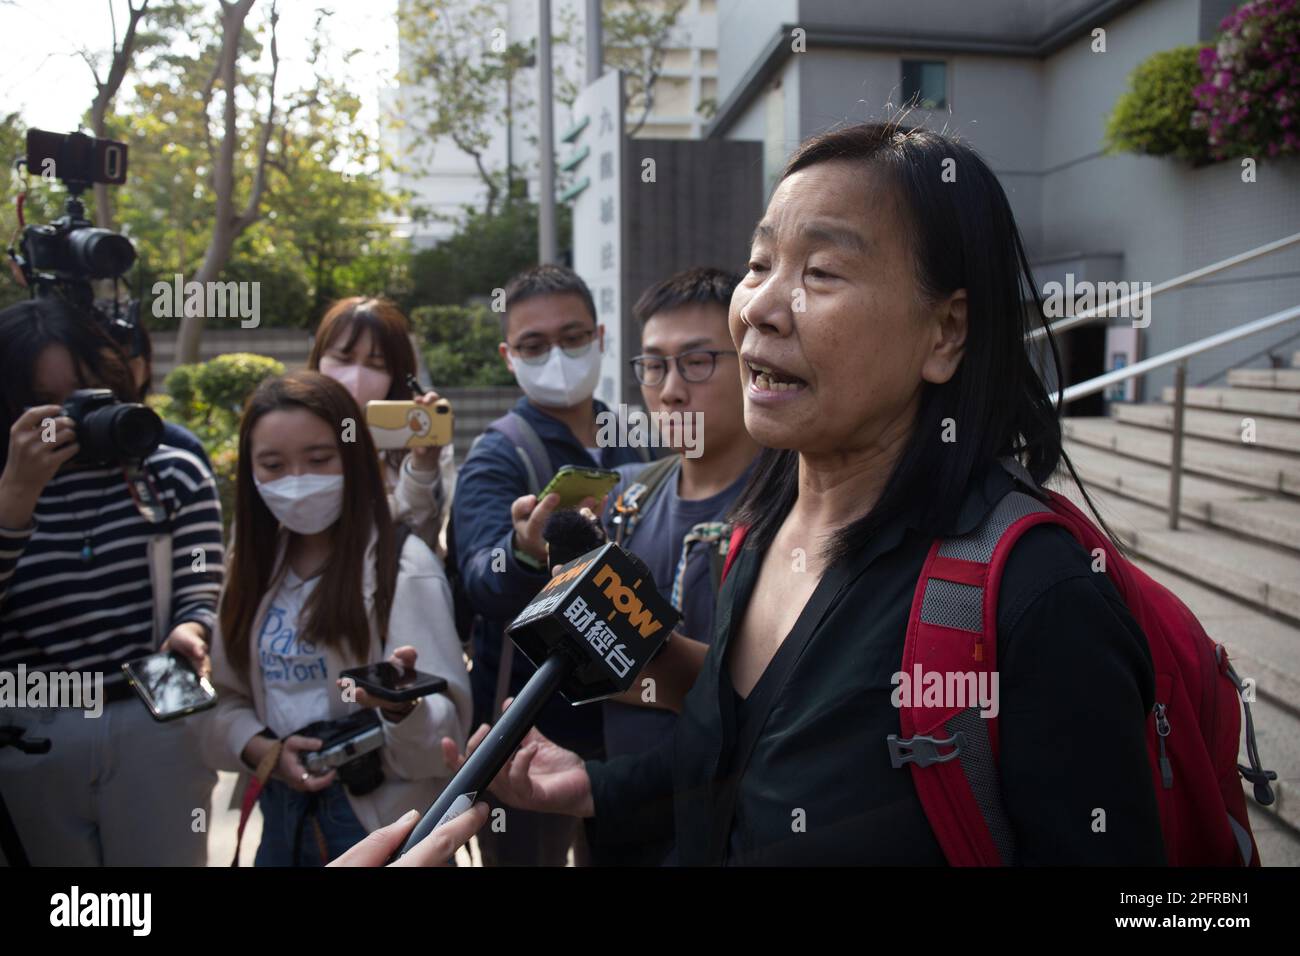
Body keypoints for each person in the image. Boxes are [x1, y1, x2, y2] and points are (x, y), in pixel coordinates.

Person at [441, 121, 1166, 865]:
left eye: (820, 273)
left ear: (945, 331)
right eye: (759, 264)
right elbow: (733, 747)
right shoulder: (758, 531)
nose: (758, 307)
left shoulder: (1033, 598)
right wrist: (593, 787)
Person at [199, 370, 471, 866]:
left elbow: (444, 742)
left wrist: (399, 709)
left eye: (319, 458)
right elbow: (225, 699)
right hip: (282, 818)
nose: (297, 480)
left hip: (379, 824)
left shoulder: (403, 566)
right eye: (273, 465)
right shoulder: (253, 568)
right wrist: (264, 752)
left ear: (354, 455)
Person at [0, 296, 222, 866]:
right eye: (46, 402)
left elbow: (202, 577)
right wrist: (16, 501)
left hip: (157, 710)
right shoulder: (7, 485)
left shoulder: (173, 471)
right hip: (31, 722)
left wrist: (192, 626)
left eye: (88, 389)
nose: (72, 415)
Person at [448, 264, 648, 866]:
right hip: (529, 731)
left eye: (573, 336)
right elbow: (482, 581)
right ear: (510, 356)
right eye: (534, 345)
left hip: (633, 722)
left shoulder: (642, 438)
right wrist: (526, 554)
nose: (556, 354)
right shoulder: (498, 454)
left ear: (602, 338)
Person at [590, 267, 760, 865]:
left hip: (729, 831)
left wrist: (628, 665)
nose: (669, 390)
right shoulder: (626, 501)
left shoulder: (788, 511)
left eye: (696, 362)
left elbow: (762, 702)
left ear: (752, 362)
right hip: (612, 819)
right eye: (653, 365)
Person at [307, 296, 454, 556]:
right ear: (319, 358)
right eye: (343, 358)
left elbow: (422, 539)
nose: (356, 376)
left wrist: (423, 466)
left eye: (376, 365)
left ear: (398, 377)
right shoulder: (293, 430)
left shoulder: (420, 440)